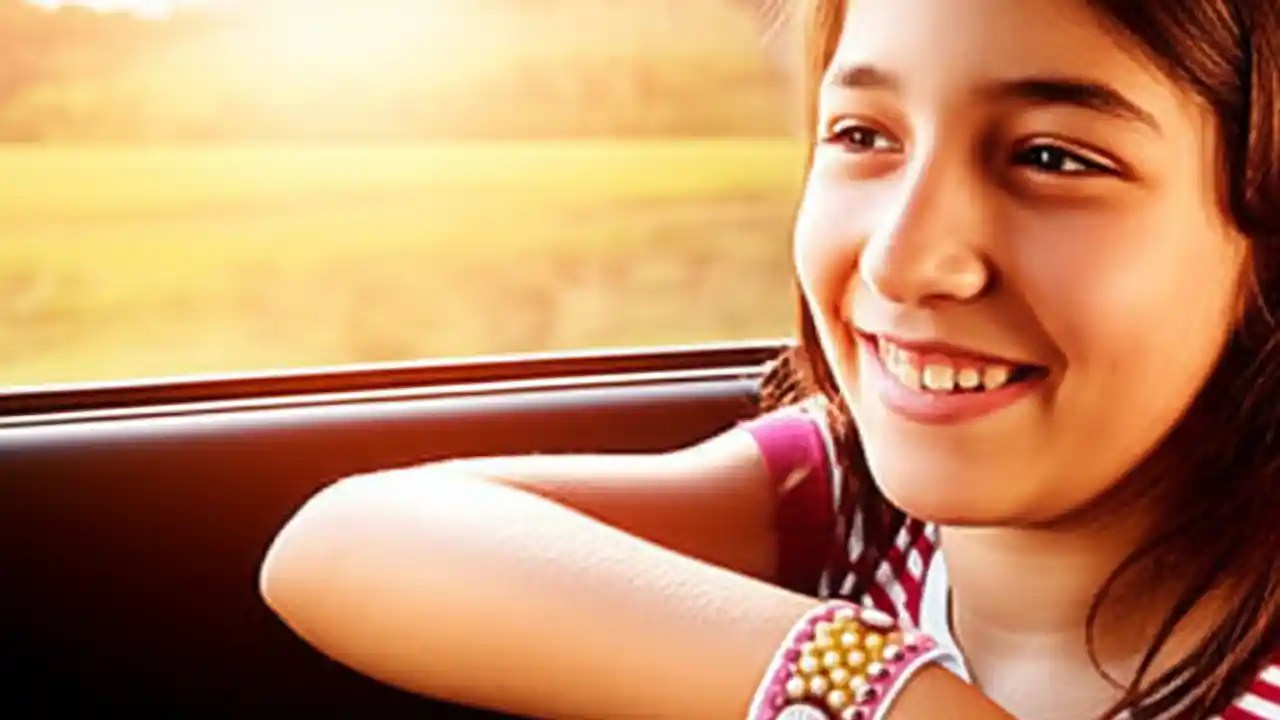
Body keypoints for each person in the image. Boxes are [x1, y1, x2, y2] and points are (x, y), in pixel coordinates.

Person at [257, 0, 1280, 717]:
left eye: (1050, 157)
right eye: (862, 134)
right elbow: (341, 541)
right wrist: (877, 692)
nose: (902, 257)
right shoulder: (857, 514)